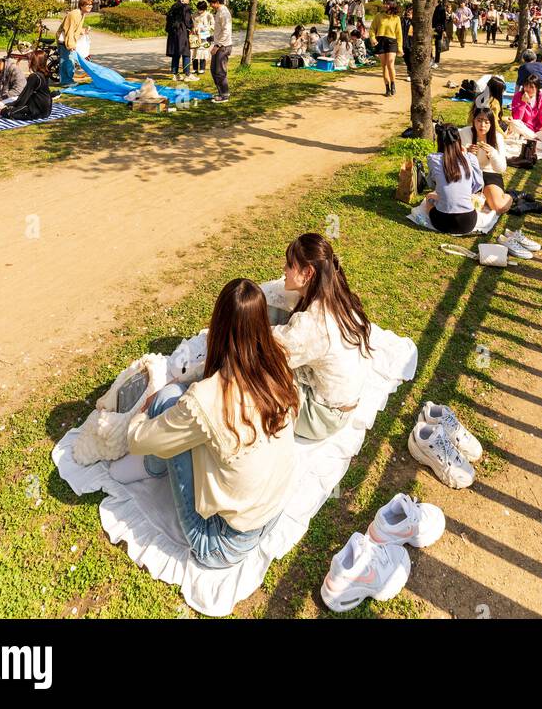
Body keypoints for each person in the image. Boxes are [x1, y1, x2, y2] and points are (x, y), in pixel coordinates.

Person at [125, 278, 298, 569]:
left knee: (168, 401)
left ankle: (150, 468)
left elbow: (138, 440)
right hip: (274, 513)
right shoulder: (277, 362)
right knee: (189, 418)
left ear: (218, 325)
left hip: (220, 544)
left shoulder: (208, 398)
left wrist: (144, 411)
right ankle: (155, 459)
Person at [272, 233, 372, 439]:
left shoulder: (314, 324)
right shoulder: (339, 296)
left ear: (308, 273)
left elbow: (271, 349)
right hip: (342, 403)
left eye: (290, 265)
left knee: (257, 375)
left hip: (322, 417)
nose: (284, 269)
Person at [419, 122, 485, 235]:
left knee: (429, 198)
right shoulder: (470, 158)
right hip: (468, 222)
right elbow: (478, 184)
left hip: (442, 222)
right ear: (459, 141)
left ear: (439, 141)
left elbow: (432, 184)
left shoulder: (434, 159)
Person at [459, 106, 515, 215]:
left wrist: (492, 154)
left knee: (498, 207)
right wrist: (466, 152)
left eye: (486, 122)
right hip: (469, 172)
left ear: (491, 124)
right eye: (479, 121)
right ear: (473, 121)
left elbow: (501, 168)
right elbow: (456, 159)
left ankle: (512, 195)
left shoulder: (497, 137)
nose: (482, 125)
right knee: (461, 203)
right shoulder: (465, 133)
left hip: (490, 173)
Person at [0, 51, 53, 122]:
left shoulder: (34, 76)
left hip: (37, 109)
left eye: (30, 60)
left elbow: (25, 96)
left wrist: (12, 106)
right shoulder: (45, 73)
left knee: (4, 112)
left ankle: (28, 115)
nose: (28, 62)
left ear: (34, 62)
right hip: (46, 108)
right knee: (8, 108)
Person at [369, 0, 403, 96]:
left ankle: (393, 84)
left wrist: (400, 48)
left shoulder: (396, 18)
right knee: (384, 66)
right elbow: (372, 29)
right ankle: (387, 88)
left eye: (387, 4)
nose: (385, 5)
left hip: (392, 42)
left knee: (390, 64)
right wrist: (373, 39)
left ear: (392, 5)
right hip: (381, 41)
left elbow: (399, 34)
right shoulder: (378, 16)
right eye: (384, 3)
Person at [56, 0, 92, 86]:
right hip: (64, 41)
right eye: (88, 5)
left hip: (69, 41)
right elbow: (69, 30)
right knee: (67, 61)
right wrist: (71, 45)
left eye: (90, 5)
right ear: (82, 6)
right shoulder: (74, 14)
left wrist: (83, 31)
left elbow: (76, 29)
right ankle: (66, 82)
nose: (90, 7)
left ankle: (68, 80)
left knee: (70, 61)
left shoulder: (82, 14)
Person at [510, 74, 542, 142]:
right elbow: (517, 118)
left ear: (537, 88)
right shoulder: (517, 96)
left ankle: (532, 138)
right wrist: (523, 103)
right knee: (514, 123)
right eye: (526, 86)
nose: (528, 89)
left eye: (531, 87)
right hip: (524, 128)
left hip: (537, 129)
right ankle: (534, 139)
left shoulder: (541, 98)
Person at [208, 0, 233, 102]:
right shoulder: (218, 11)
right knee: (213, 70)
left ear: (217, 2)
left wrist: (217, 45)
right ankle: (220, 92)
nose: (210, 5)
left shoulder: (224, 13)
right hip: (219, 44)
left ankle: (225, 95)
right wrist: (212, 38)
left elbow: (226, 31)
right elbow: (220, 30)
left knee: (219, 71)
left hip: (223, 47)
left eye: (211, 3)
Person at [166, 0, 195, 80]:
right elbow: (187, 21)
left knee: (176, 53)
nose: (189, 1)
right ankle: (187, 74)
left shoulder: (174, 6)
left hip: (173, 32)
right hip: (182, 32)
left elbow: (168, 18)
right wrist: (191, 27)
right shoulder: (186, 7)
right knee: (186, 53)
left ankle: (175, 74)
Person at [194, 0, 213, 76]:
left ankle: (202, 68)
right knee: (194, 52)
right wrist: (194, 28)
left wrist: (206, 28)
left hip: (205, 37)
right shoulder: (194, 14)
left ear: (205, 8)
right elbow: (192, 23)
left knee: (203, 52)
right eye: (198, 9)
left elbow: (213, 25)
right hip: (195, 36)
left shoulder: (209, 15)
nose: (199, 11)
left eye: (201, 9)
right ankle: (195, 68)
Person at [431, 0, 447, 67]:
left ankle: (436, 61)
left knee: (438, 44)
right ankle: (431, 58)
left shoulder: (441, 8)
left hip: (438, 28)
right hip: (429, 28)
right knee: (428, 44)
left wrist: (444, 30)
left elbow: (444, 20)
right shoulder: (429, 7)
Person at [400, 5, 413, 80]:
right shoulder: (403, 20)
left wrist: (412, 20)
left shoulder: (415, 21)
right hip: (404, 42)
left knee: (411, 58)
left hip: (411, 43)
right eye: (408, 11)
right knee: (406, 58)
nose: (408, 12)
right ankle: (410, 71)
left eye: (410, 11)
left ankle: (410, 73)